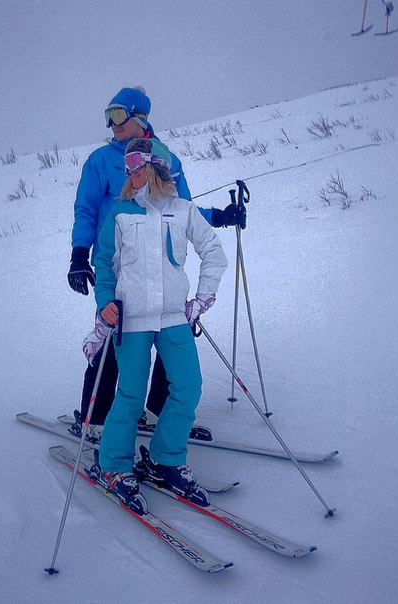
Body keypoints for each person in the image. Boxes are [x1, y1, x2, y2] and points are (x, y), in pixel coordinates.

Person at [67, 86, 245, 440]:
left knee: (173, 333)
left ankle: (161, 412)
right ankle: (94, 419)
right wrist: (79, 255)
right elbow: (85, 209)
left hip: (163, 265)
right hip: (119, 265)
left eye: (119, 114)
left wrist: (220, 217)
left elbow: (183, 209)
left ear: (140, 117)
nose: (112, 124)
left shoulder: (167, 159)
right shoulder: (100, 161)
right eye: (108, 116)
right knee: (114, 336)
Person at [93, 137, 227, 509]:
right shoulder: (120, 212)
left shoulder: (183, 210)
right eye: (126, 166)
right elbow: (104, 262)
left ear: (156, 166)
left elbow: (213, 252)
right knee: (131, 394)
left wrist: (203, 297)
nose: (130, 172)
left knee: (188, 387)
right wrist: (105, 301)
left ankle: (166, 457)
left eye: (136, 164)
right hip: (132, 318)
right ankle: (114, 464)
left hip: (173, 318)